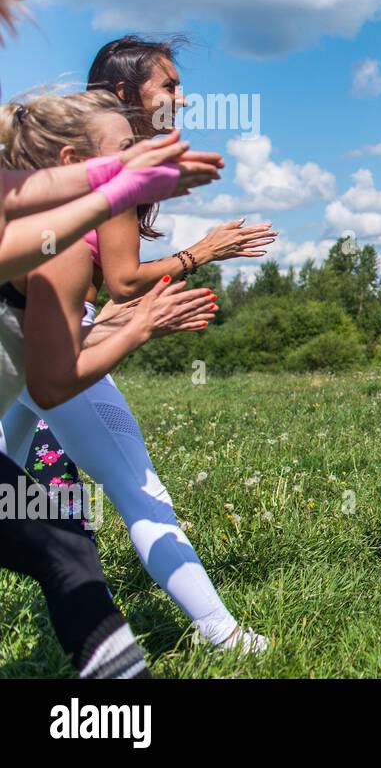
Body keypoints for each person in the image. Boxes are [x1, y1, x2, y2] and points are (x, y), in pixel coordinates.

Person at [0, 0, 219, 677]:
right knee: (99, 505)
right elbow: (107, 287)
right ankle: (226, 636)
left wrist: (118, 181)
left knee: (50, 518)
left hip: (41, 335)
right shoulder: (81, 197)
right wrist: (172, 269)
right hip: (40, 336)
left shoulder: (88, 172)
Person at [1, 91, 268, 655]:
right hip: (41, 375)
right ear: (75, 162)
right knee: (136, 492)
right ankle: (226, 636)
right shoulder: (62, 245)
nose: (142, 154)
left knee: (32, 510)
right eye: (128, 148)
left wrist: (125, 321)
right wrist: (137, 328)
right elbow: (50, 377)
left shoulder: (23, 211)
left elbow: (40, 346)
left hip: (25, 373)